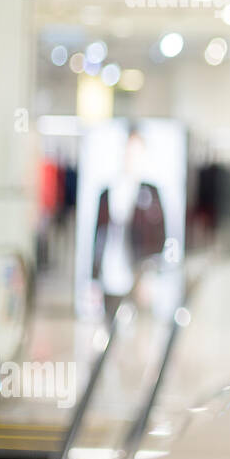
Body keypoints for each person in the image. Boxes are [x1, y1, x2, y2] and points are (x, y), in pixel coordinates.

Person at [92, 126, 166, 324]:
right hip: (111, 271)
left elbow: (160, 237)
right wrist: (94, 277)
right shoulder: (108, 192)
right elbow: (98, 237)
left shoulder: (151, 193)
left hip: (137, 273)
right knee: (109, 324)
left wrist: (150, 275)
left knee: (139, 329)